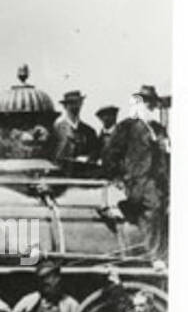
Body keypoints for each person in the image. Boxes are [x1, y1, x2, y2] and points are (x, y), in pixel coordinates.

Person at [102, 85, 170, 259]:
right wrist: (117, 179)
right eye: (145, 102)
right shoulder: (126, 127)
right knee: (153, 208)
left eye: (151, 103)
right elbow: (110, 156)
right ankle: (155, 256)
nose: (149, 107)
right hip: (136, 183)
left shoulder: (158, 129)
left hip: (159, 182)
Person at [52, 90, 100, 176]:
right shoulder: (56, 129)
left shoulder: (89, 131)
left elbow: (95, 152)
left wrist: (88, 159)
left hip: (82, 176)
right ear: (65, 106)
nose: (75, 106)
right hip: (59, 175)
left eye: (78, 103)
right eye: (71, 103)